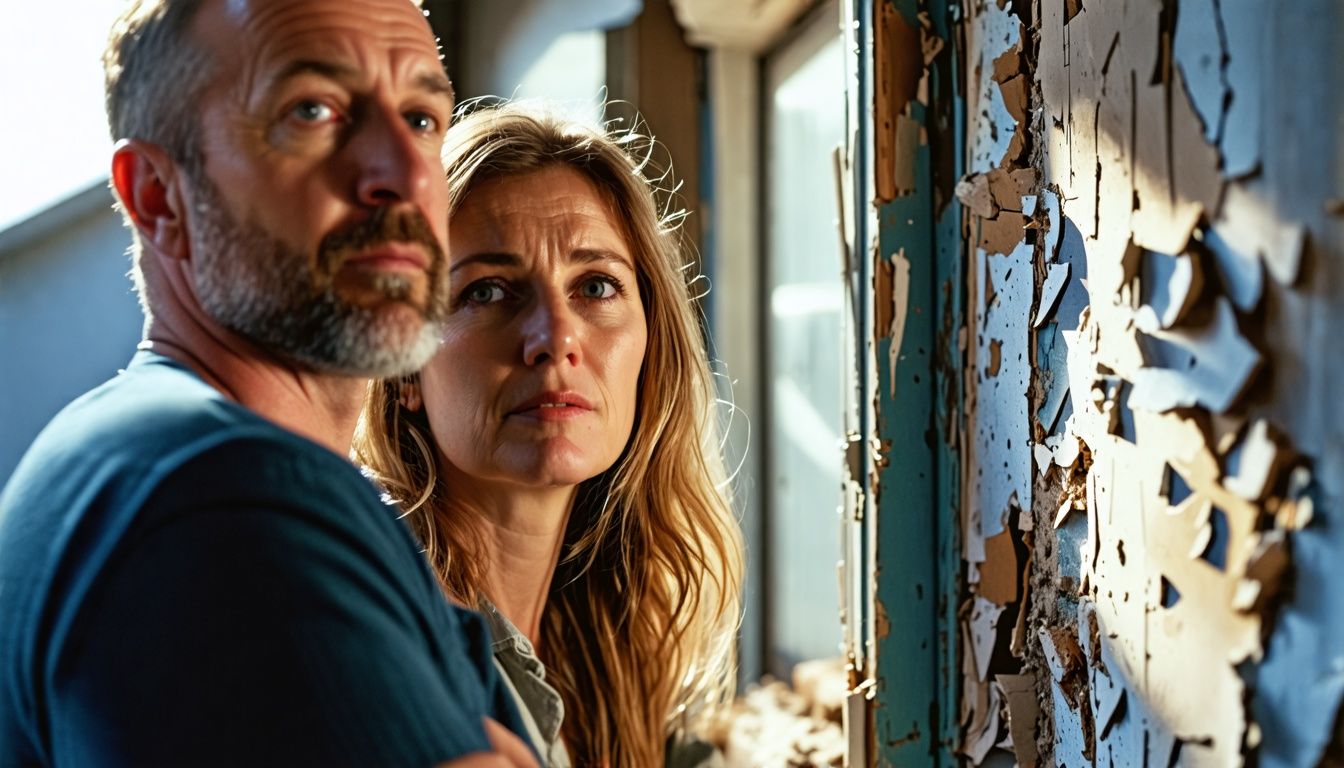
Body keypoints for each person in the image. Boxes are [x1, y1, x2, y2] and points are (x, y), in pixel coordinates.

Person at [0, 2, 537, 766]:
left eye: (422, 118)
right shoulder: (224, 488)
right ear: (156, 194)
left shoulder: (129, 456)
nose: (404, 172)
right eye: (312, 110)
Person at [355, 102, 746, 767]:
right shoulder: (372, 623)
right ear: (401, 369)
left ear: (653, 343)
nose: (556, 338)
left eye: (595, 285)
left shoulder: (606, 648)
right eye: (486, 291)